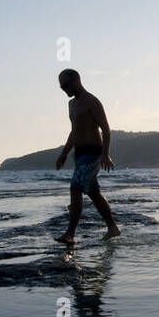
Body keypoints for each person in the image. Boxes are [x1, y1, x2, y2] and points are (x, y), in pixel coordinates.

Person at [53, 68, 121, 244]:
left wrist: (105, 154)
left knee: (75, 189)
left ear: (76, 81)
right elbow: (74, 131)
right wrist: (64, 153)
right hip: (79, 154)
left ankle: (70, 234)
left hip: (93, 153)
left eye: (66, 85)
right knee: (93, 192)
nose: (64, 89)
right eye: (61, 87)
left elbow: (105, 129)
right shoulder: (72, 104)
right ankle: (112, 227)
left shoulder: (92, 102)